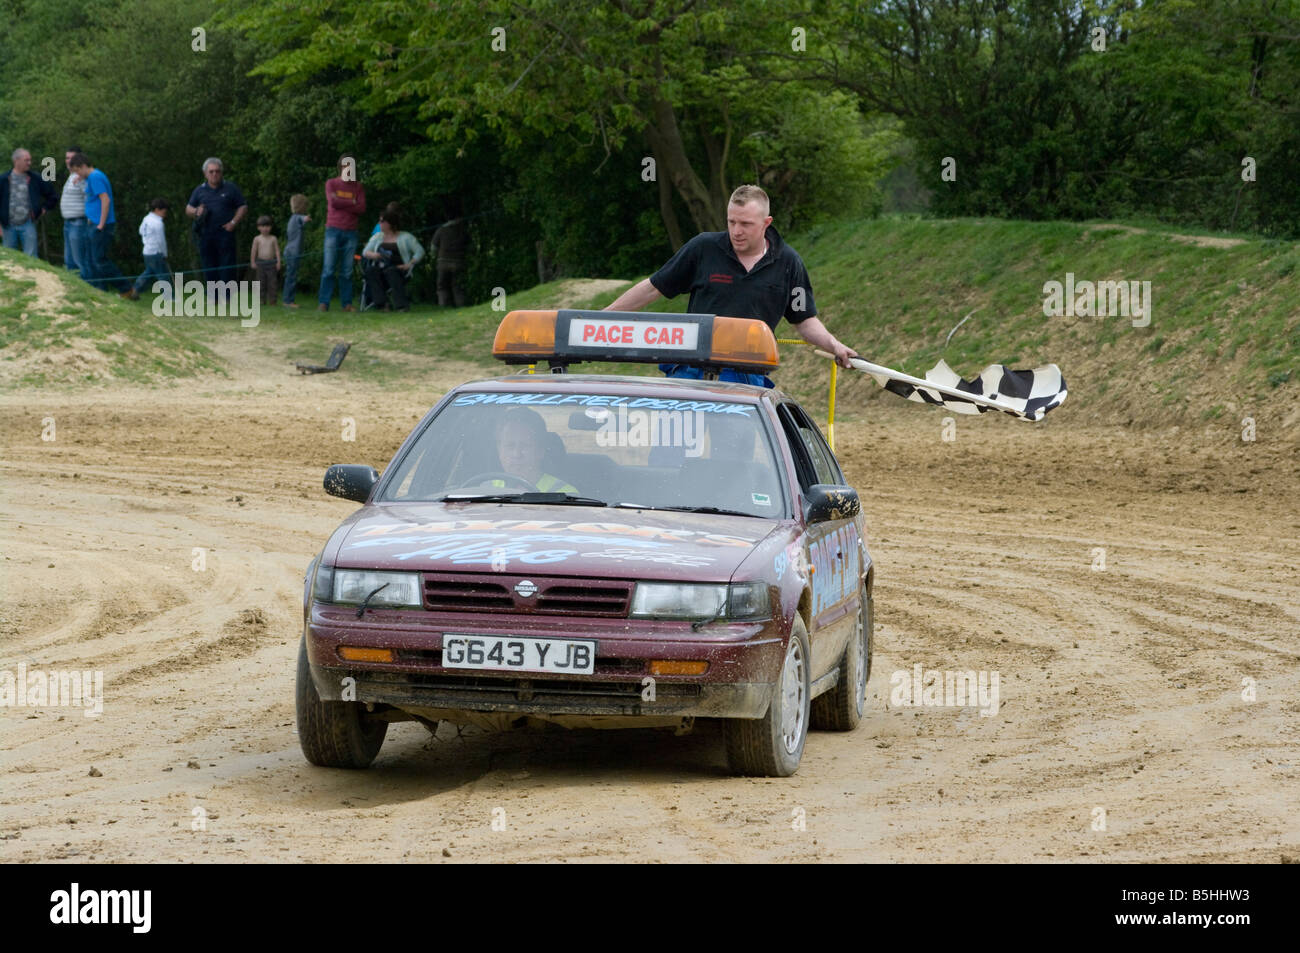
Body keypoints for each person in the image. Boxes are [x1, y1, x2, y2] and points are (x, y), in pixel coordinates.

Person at [603, 184, 857, 385]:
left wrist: (835, 345)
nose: (736, 231)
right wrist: (601, 318)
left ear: (767, 223)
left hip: (746, 375)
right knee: (673, 446)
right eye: (731, 222)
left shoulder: (789, 263)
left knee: (734, 450)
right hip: (691, 371)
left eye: (746, 224)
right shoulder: (703, 248)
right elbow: (652, 287)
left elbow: (804, 320)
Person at [67, 153, 131, 295]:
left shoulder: (95, 177)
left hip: (100, 226)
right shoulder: (92, 177)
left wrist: (101, 224)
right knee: (91, 260)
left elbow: (105, 200)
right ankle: (99, 291)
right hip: (93, 224)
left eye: (77, 170)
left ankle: (126, 289)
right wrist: (80, 177)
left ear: (83, 166)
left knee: (99, 260)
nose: (77, 174)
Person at [185, 157, 247, 295]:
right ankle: (213, 295)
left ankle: (228, 295)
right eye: (211, 171)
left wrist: (233, 222)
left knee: (227, 265)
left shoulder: (231, 188)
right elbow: (188, 208)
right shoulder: (199, 191)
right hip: (205, 234)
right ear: (205, 173)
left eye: (217, 171)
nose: (214, 174)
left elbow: (242, 206)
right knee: (208, 265)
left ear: (222, 172)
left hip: (225, 233)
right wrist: (196, 211)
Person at [318, 153, 366, 312]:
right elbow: (332, 202)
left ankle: (347, 304)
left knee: (347, 271)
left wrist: (344, 203)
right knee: (328, 268)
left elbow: (361, 207)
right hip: (333, 229)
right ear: (341, 167)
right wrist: (351, 202)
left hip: (351, 231)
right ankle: (324, 302)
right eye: (346, 165)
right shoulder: (331, 183)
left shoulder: (358, 186)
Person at [492, 409, 579, 493]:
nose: (516, 454)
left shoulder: (564, 494)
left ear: (540, 451)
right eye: (510, 446)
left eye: (525, 446)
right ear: (499, 450)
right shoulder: (486, 488)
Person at [361, 204, 423, 311]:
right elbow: (365, 252)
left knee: (391, 271)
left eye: (382, 221)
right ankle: (382, 304)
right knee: (370, 270)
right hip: (381, 269)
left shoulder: (406, 237)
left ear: (390, 223)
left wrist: (410, 264)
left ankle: (402, 305)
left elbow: (420, 251)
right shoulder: (377, 237)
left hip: (399, 269)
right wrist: (374, 255)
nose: (379, 223)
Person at [0, 148, 57, 258]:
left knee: (31, 257)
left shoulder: (35, 178)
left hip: (28, 224)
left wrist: (43, 209)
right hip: (7, 225)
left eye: (30, 160)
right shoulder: (3, 179)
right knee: (9, 258)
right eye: (26, 160)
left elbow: (52, 195)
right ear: (16, 161)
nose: (29, 163)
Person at [125, 198, 171, 301]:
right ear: (157, 209)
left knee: (149, 273)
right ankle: (169, 297)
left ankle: (134, 291)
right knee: (163, 275)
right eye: (164, 210)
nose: (165, 212)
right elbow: (161, 241)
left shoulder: (146, 219)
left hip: (147, 251)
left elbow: (140, 231)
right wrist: (165, 253)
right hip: (156, 252)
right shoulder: (158, 223)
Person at [430, 211, 468, 307]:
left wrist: (435, 257)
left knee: (442, 286)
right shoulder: (462, 230)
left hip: (443, 262)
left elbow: (433, 248)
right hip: (459, 262)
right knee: (457, 286)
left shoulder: (441, 230)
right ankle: (461, 305)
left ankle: (443, 306)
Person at [60, 146, 87, 271]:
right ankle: (73, 289)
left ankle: (89, 287)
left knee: (80, 260)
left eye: (72, 158)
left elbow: (90, 198)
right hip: (68, 223)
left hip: (79, 223)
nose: (68, 161)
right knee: (69, 261)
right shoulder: (72, 177)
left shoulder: (82, 178)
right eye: (67, 158)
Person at [282, 194, 311, 308]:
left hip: (290, 251)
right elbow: (302, 219)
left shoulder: (292, 218)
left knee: (290, 275)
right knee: (291, 276)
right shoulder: (297, 217)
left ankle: (287, 300)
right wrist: (306, 218)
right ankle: (288, 301)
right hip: (293, 252)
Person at [249, 216, 281, 305]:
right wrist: (252, 261)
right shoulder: (257, 239)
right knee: (260, 282)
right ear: (258, 227)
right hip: (260, 263)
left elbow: (277, 251)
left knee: (272, 283)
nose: (265, 228)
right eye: (263, 226)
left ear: (270, 227)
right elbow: (254, 251)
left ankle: (273, 300)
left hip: (271, 263)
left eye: (267, 226)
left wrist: (278, 262)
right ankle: (260, 300)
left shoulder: (273, 238)